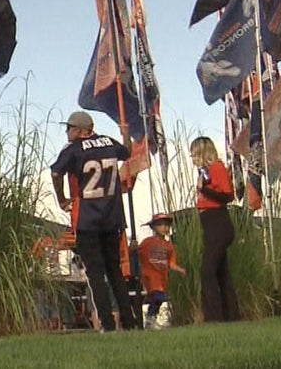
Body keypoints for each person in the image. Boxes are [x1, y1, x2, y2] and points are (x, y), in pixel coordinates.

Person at [50, 111, 138, 331]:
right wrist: (125, 134)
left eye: (69, 128)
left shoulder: (74, 149)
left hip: (89, 220)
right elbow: (126, 152)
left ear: (80, 130)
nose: (67, 132)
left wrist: (62, 200)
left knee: (96, 273)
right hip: (113, 216)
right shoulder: (109, 142)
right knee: (115, 271)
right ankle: (129, 322)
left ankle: (107, 325)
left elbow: (55, 173)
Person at [191, 136, 240, 323]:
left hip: (218, 222)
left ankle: (213, 317)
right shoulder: (205, 172)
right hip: (210, 223)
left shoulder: (217, 168)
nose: (193, 159)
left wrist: (204, 190)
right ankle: (231, 316)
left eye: (195, 155)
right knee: (221, 272)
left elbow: (227, 196)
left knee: (207, 271)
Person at [137, 212, 186, 330]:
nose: (164, 228)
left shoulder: (169, 246)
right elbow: (137, 253)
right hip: (150, 276)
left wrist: (180, 269)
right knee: (158, 297)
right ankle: (150, 316)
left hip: (162, 278)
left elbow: (171, 263)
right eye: (161, 225)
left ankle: (151, 318)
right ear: (154, 227)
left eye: (166, 225)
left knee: (158, 298)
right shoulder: (147, 242)